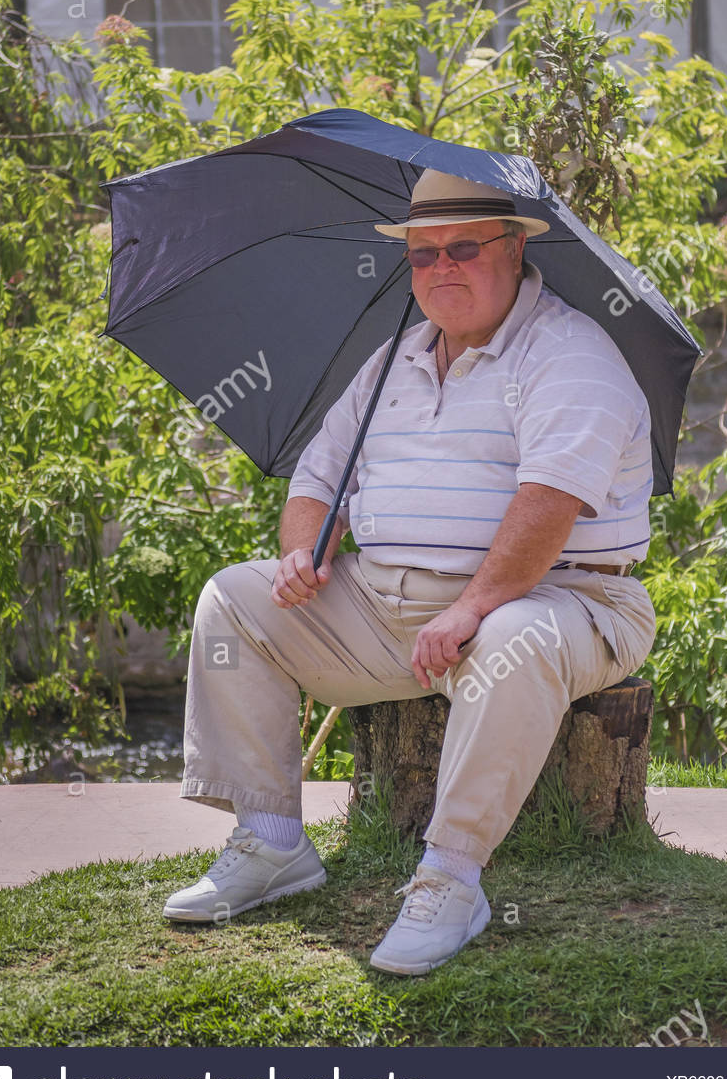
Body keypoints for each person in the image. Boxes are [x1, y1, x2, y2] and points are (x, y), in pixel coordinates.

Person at [163, 168, 657, 975]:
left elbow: (548, 506)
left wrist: (470, 610)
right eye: (421, 254)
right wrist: (305, 552)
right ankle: (272, 841)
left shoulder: (571, 354)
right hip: (386, 604)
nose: (440, 269)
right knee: (235, 597)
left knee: (516, 635)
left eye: (463, 247)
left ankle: (450, 880)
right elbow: (318, 479)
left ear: (516, 244)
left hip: (562, 595)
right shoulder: (393, 357)